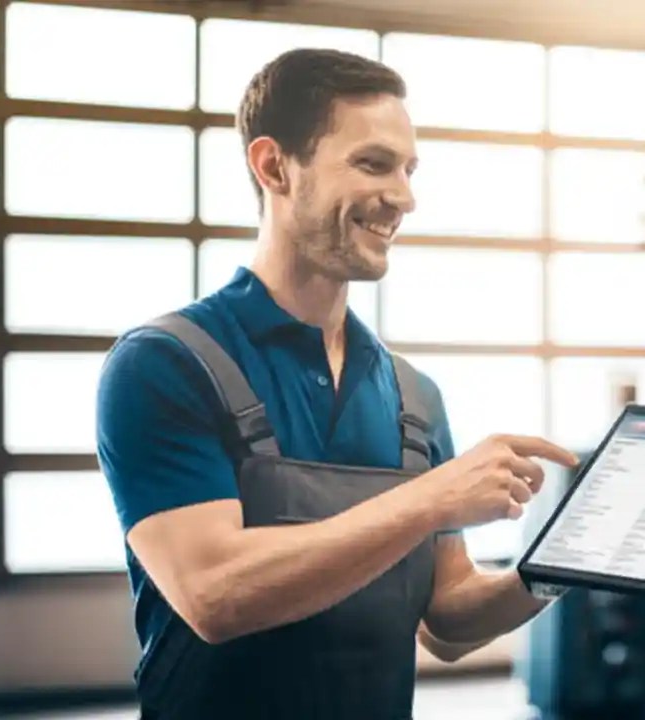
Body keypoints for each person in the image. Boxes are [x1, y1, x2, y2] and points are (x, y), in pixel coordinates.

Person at [96, 48, 578, 719]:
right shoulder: (164, 364)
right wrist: (432, 498)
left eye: (408, 170)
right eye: (373, 164)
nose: (404, 197)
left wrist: (567, 561)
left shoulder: (413, 397)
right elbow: (214, 592)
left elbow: (449, 618)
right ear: (273, 167)